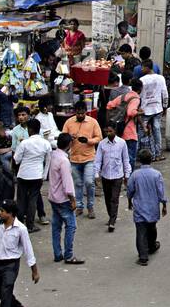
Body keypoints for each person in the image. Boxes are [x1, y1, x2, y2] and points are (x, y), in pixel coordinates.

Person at [47, 132, 84, 265]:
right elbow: (67, 183)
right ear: (69, 144)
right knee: (71, 226)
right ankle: (68, 255)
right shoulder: (64, 161)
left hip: (53, 196)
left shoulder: (54, 156)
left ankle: (58, 253)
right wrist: (73, 199)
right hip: (63, 199)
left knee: (56, 226)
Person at [127, 148, 167, 265]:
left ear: (139, 160)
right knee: (152, 227)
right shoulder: (156, 174)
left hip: (139, 207)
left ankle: (143, 257)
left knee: (141, 232)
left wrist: (129, 201)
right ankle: (152, 245)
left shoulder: (135, 175)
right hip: (153, 207)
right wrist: (164, 205)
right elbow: (161, 192)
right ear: (151, 160)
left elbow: (130, 190)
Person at [63, 100, 103, 219]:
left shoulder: (93, 122)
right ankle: (79, 206)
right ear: (75, 112)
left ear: (86, 112)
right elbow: (63, 137)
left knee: (89, 182)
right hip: (74, 158)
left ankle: (90, 206)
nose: (80, 115)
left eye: (82, 113)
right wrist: (70, 138)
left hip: (89, 158)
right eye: (78, 113)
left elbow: (99, 138)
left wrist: (88, 141)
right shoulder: (69, 122)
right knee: (78, 184)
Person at [13, 118, 52, 232]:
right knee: (32, 200)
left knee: (21, 199)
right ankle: (30, 225)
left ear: (29, 129)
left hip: (24, 174)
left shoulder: (24, 143)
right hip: (37, 175)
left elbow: (16, 159)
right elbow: (48, 160)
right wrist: (44, 175)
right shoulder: (46, 143)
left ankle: (19, 224)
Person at [95, 123, 132, 232]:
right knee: (107, 198)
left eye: (110, 131)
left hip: (117, 175)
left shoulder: (122, 143)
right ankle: (111, 215)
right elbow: (98, 160)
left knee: (114, 198)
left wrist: (127, 174)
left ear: (115, 131)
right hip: (106, 175)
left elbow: (126, 159)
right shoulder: (102, 144)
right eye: (106, 131)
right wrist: (96, 174)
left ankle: (112, 221)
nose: (108, 133)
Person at [138, 59, 168, 160]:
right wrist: (165, 106)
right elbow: (165, 93)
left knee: (142, 131)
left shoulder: (142, 80)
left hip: (145, 109)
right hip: (157, 108)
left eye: (142, 67)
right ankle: (158, 153)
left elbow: (140, 95)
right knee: (157, 130)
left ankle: (140, 152)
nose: (141, 69)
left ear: (147, 67)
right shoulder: (160, 78)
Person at [108, 80, 142, 167]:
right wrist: (140, 112)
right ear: (141, 89)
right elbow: (131, 112)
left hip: (118, 130)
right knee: (130, 157)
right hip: (129, 131)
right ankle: (128, 178)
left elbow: (109, 105)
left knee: (120, 157)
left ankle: (120, 176)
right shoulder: (135, 99)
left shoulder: (124, 96)